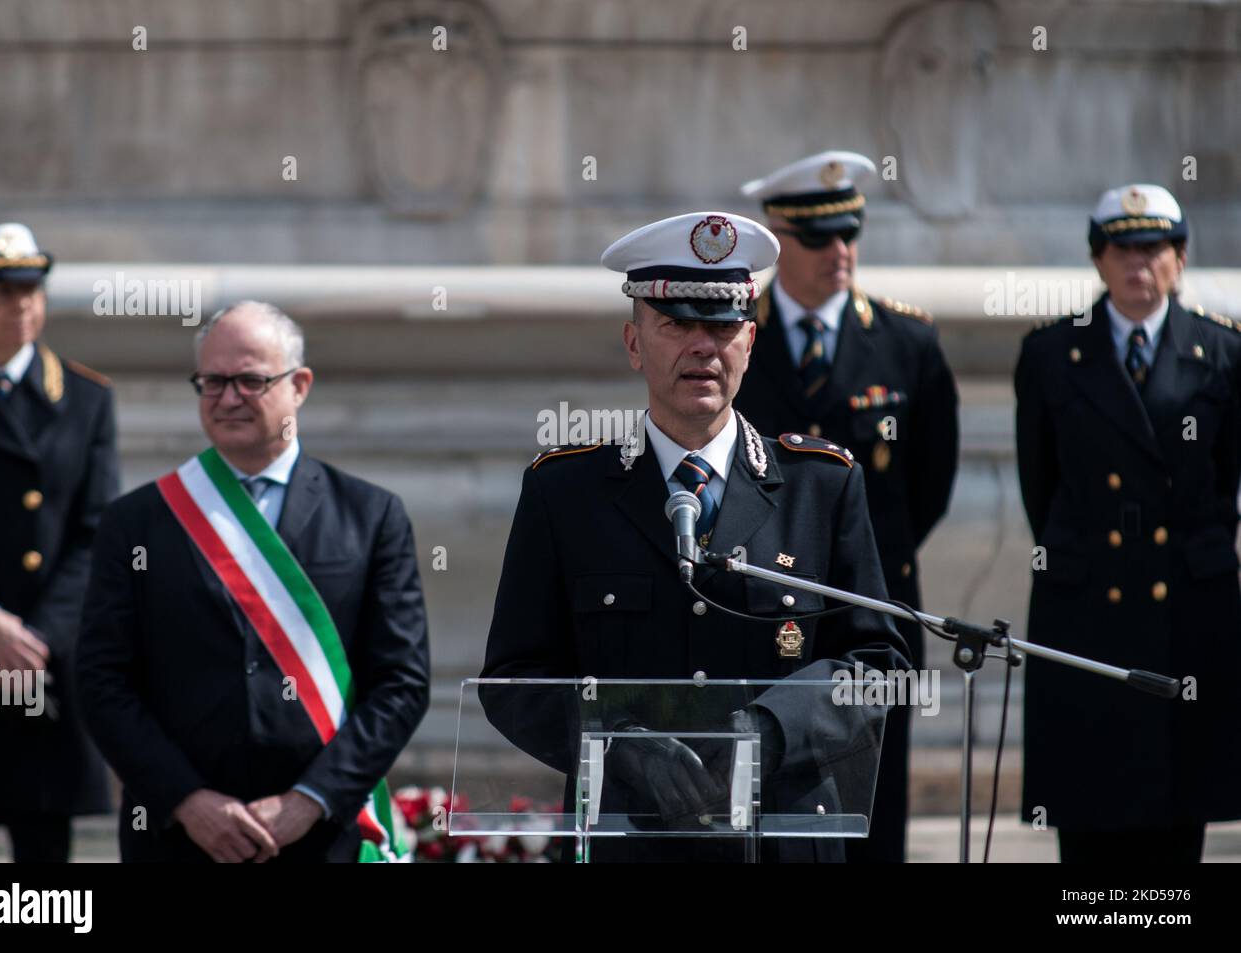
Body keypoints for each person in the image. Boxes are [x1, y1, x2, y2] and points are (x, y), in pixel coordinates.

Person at [481, 211, 910, 862]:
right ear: (633, 343)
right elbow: (515, 680)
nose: (702, 346)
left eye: (721, 325)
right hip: (630, 840)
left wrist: (771, 729)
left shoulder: (820, 485)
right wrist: (617, 743)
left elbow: (877, 666)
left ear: (749, 341)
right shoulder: (564, 492)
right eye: (676, 323)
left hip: (781, 839)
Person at [76, 301, 430, 862]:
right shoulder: (136, 521)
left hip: (320, 834)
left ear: (300, 386)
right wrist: (188, 801)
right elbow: (100, 680)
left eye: (250, 380)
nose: (228, 398)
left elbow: (401, 682)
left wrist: (309, 800)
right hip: (177, 837)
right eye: (212, 381)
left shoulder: (370, 516)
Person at [734, 151, 959, 862]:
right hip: (761, 613)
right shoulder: (736, 338)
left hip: (873, 614)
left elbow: (931, 482)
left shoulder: (907, 342)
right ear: (777, 239)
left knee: (873, 821)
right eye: (818, 237)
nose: (840, 252)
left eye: (849, 233)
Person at [1015, 184, 1241, 863]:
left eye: (1154, 248)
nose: (1138, 263)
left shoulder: (1220, 350)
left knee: (1178, 825)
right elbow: (1039, 485)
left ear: (1180, 258)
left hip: (1186, 614)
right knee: (1089, 818)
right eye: (1123, 247)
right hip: (1088, 610)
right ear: (1098, 258)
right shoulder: (1053, 352)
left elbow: (1224, 478)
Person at [0, 223, 116, 862]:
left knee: (43, 865)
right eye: (3, 291)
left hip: (41, 662)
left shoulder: (86, 400)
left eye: (32, 289)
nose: (22, 305)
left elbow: (94, 534)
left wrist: (37, 638)